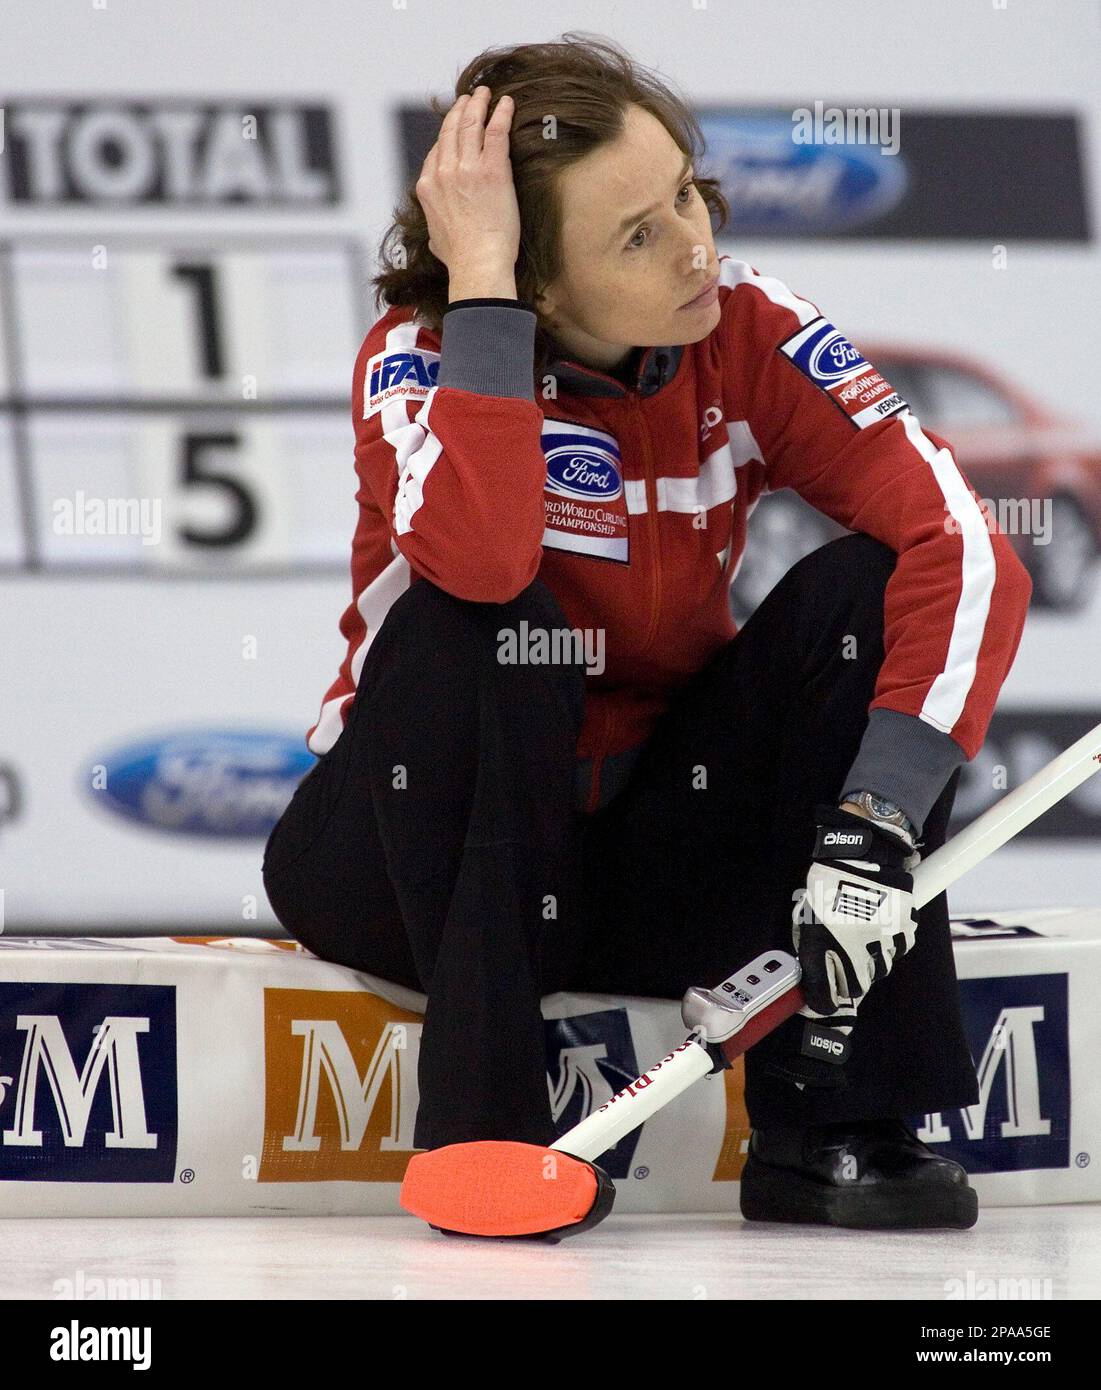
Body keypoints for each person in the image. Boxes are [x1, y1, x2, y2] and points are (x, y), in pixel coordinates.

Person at [261, 33, 1032, 1231]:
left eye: (685, 193)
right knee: (494, 615)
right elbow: (480, 555)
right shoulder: (416, 360)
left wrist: (877, 816)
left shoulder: (748, 328)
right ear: (535, 281)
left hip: (639, 863)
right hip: (407, 864)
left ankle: (836, 1129)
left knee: (860, 588)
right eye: (638, 234)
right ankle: (485, 1136)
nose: (697, 246)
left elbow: (957, 540)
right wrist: (483, 302)